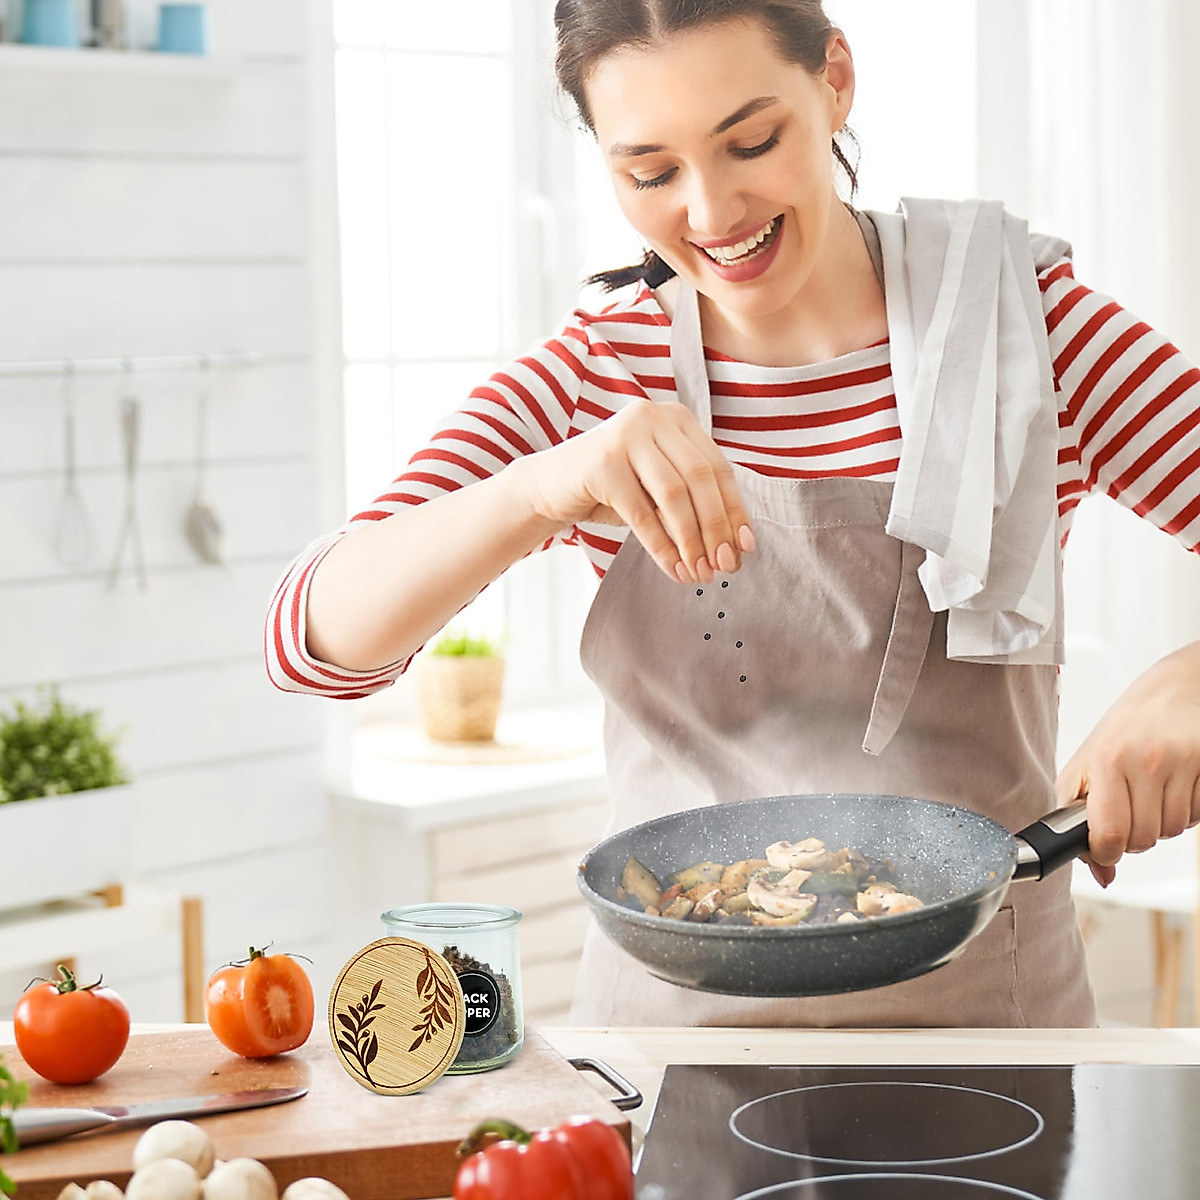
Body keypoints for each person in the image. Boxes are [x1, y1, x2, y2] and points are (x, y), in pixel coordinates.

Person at [268, 0, 1200, 1027]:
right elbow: (312, 643)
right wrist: (547, 485)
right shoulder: (599, 377)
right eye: (651, 173)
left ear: (835, 79)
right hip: (673, 1052)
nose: (711, 214)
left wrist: (1193, 677)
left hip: (991, 1032)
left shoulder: (1024, 338)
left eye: (751, 142)